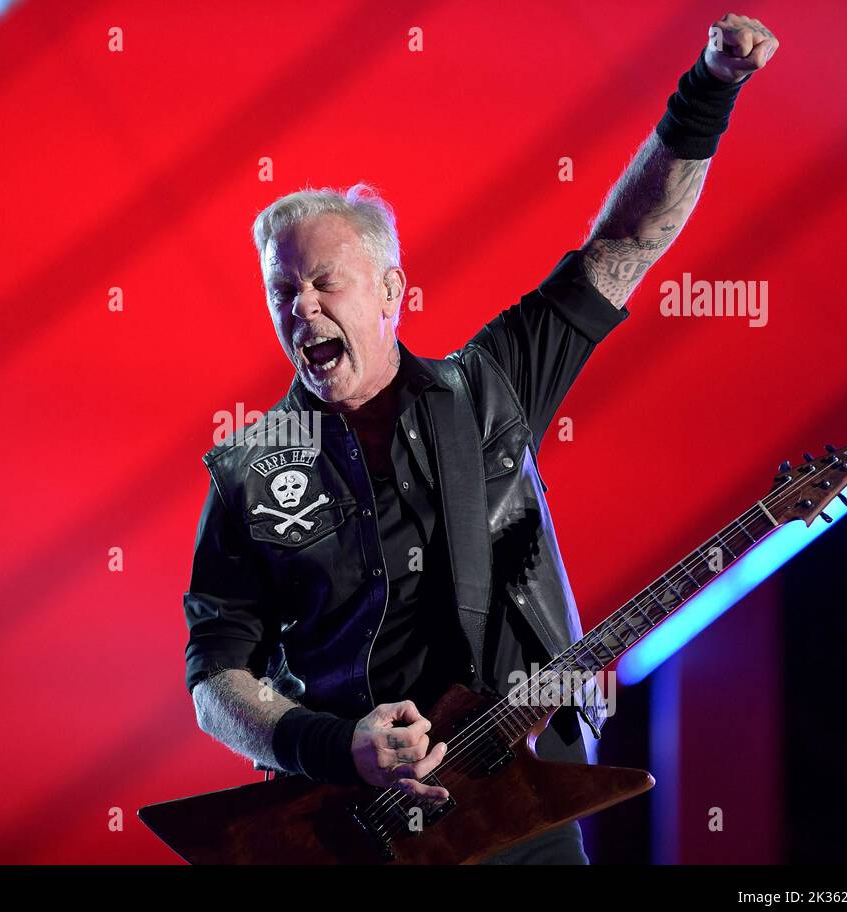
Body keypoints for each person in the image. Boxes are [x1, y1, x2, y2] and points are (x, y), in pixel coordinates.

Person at [182, 13, 778, 864]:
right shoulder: (249, 471)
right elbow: (215, 682)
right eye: (283, 291)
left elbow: (622, 248)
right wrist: (336, 741)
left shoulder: (488, 388)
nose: (300, 307)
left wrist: (708, 92)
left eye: (322, 283)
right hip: (354, 828)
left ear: (390, 290)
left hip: (514, 806)